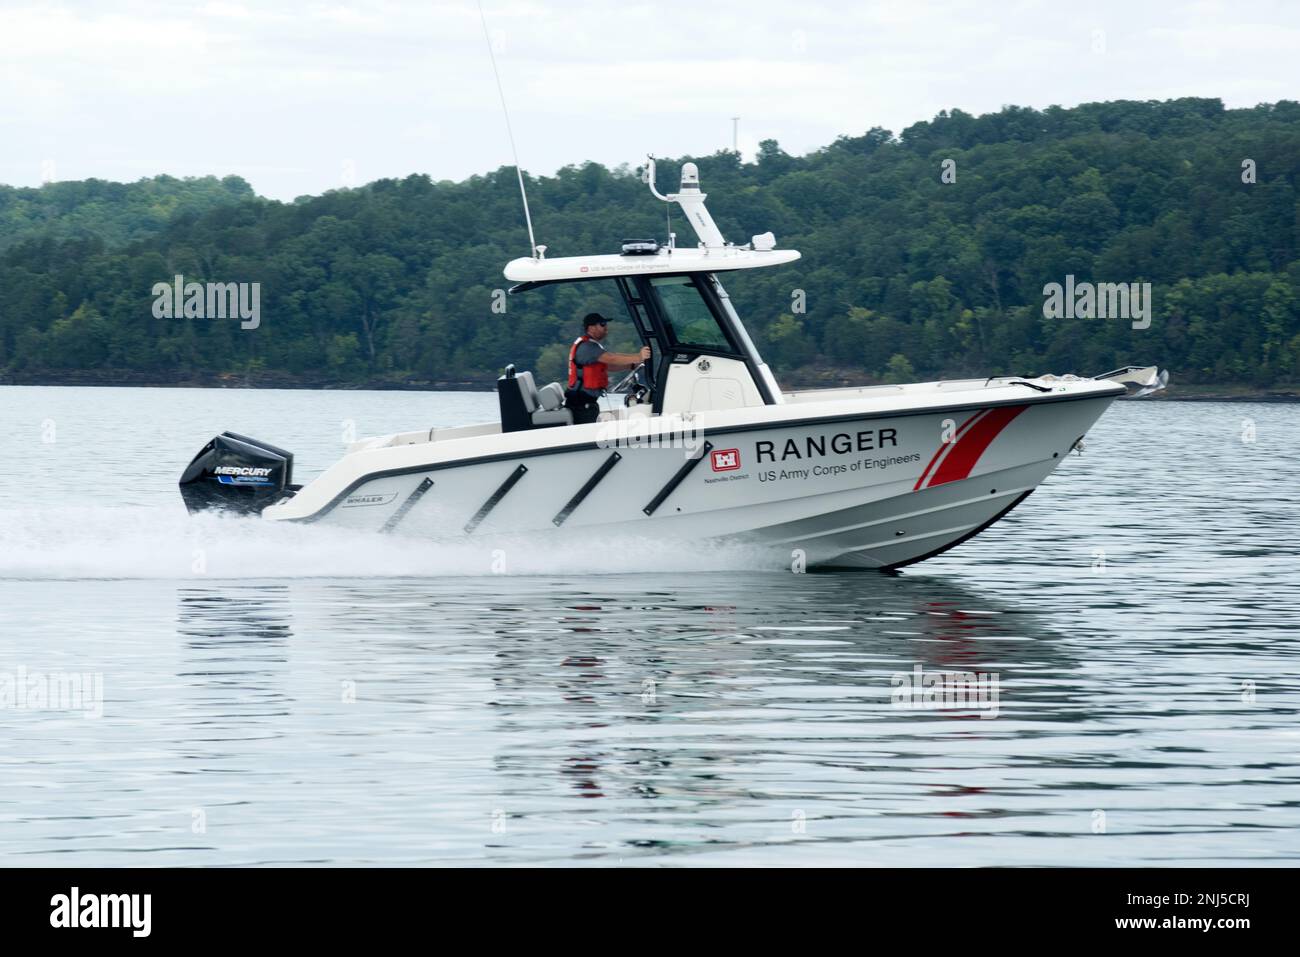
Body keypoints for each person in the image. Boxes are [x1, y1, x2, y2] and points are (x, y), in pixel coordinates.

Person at [565, 313, 651, 424]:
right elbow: (612, 359)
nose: (606, 327)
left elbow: (609, 365)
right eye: (602, 324)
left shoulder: (592, 346)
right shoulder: (587, 347)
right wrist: (639, 357)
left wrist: (630, 365)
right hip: (581, 406)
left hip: (585, 404)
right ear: (591, 328)